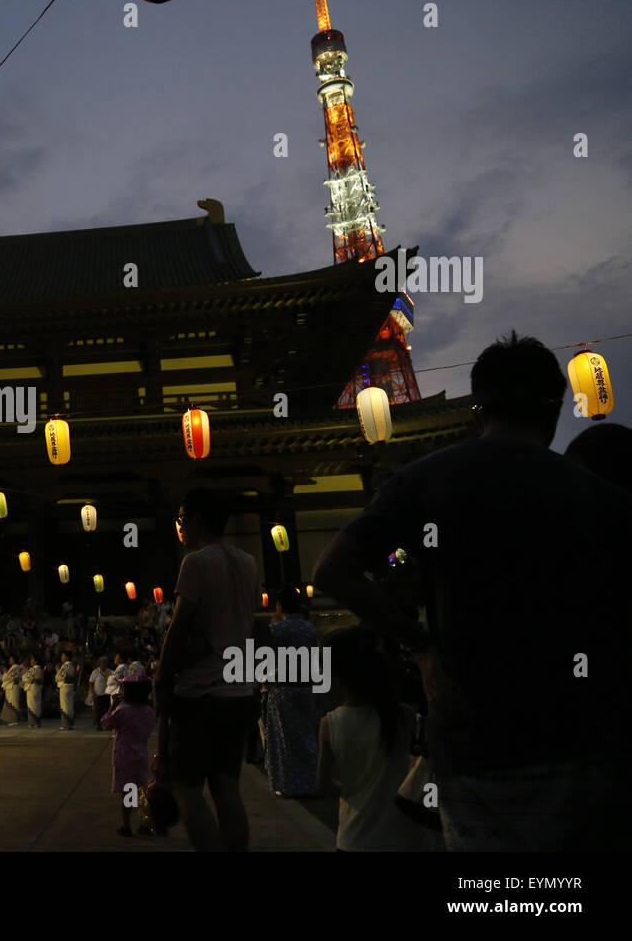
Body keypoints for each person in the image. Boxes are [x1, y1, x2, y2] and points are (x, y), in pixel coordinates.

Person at [313, 332, 631, 850]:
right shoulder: (600, 496)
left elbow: (332, 570)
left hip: (470, 733)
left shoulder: (427, 478)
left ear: (476, 409)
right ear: (554, 409)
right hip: (577, 738)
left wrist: (421, 647)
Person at [154, 488, 260, 851]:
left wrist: (161, 681)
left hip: (201, 694)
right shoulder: (248, 562)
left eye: (182, 519)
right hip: (239, 692)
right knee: (226, 787)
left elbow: (178, 628)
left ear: (196, 520)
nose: (180, 527)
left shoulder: (196, 563)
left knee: (186, 789)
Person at [318, 627, 435, 851]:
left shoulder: (330, 724)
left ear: (337, 677)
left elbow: (322, 785)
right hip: (402, 838)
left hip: (354, 837)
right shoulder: (405, 717)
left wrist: (348, 787)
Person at [264, 585, 319, 797]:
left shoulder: (276, 630)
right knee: (307, 735)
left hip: (284, 688)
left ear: (279, 606)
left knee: (285, 740)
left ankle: (289, 784)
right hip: (306, 686)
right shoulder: (310, 629)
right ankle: (311, 780)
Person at [102, 675, 157, 836]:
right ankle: (145, 823)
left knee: (129, 792)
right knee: (143, 790)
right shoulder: (148, 711)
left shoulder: (123, 710)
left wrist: (112, 706)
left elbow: (106, 723)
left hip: (125, 756)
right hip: (141, 753)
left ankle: (127, 825)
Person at [56, 651, 78, 730]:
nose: (62, 657)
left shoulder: (66, 666)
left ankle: (66, 724)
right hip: (69, 687)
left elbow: (59, 677)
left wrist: (57, 671)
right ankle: (69, 723)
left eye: (63, 656)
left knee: (65, 705)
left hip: (65, 686)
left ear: (67, 657)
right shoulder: (71, 666)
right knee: (69, 704)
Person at [89, 657, 111, 730]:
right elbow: (91, 683)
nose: (104, 664)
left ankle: (107, 725)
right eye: (102, 662)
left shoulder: (110, 671)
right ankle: (99, 725)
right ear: (99, 664)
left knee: (106, 710)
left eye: (105, 662)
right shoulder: (95, 672)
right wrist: (93, 692)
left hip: (107, 694)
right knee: (98, 711)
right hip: (98, 694)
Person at [22, 656, 43, 728]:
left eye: (32, 659)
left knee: (31, 705)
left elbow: (25, 678)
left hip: (31, 688)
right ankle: (37, 722)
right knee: (37, 705)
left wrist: (24, 677)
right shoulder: (39, 669)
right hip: (37, 688)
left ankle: (33, 723)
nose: (31, 661)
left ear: (35, 661)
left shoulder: (33, 669)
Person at [2, 656, 24, 726]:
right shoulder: (14, 667)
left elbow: (8, 677)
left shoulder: (15, 667)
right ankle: (12, 720)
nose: (10, 660)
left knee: (14, 703)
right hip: (11, 687)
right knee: (11, 703)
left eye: (11, 659)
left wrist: (5, 672)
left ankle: (15, 720)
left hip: (13, 687)